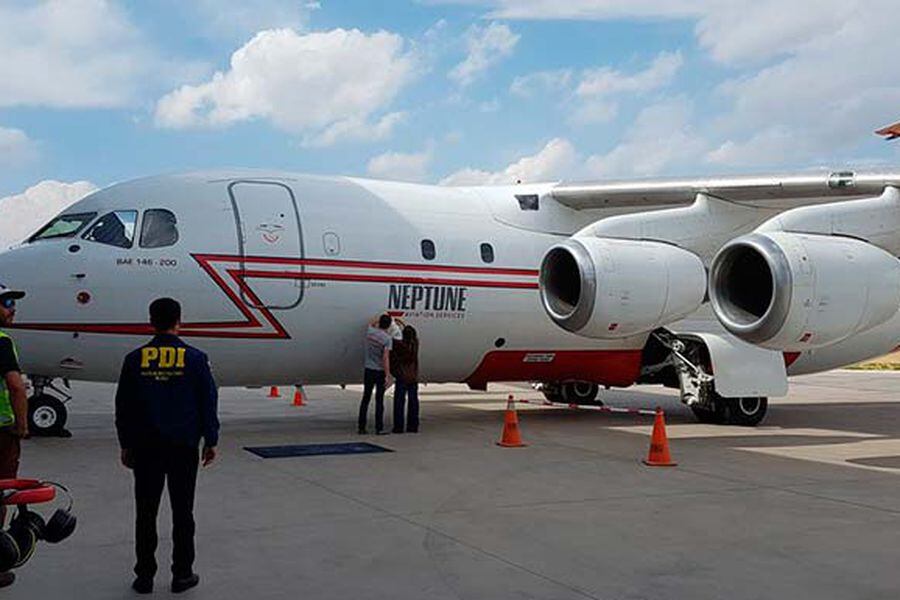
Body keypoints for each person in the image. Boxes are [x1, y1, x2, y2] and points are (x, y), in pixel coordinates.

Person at [115, 298, 219, 595]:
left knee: (146, 513)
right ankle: (182, 574)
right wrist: (210, 440)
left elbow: (123, 406)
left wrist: (126, 444)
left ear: (151, 320)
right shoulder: (196, 359)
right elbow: (208, 402)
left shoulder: (134, 360)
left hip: (145, 448)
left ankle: (144, 576)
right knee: (183, 513)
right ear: (179, 321)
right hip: (182, 448)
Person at [0, 284, 28, 589]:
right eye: (6, 302)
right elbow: (16, 387)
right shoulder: (2, 342)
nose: (12, 308)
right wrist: (22, 426)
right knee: (2, 492)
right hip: (1, 433)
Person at [358, 313, 393, 435]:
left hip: (369, 369)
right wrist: (388, 374)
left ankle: (361, 427)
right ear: (389, 326)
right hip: (379, 371)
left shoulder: (370, 332)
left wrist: (379, 317)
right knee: (379, 400)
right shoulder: (387, 339)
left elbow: (371, 323)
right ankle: (379, 427)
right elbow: (385, 358)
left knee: (365, 398)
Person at [390, 325, 420, 434]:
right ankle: (413, 426)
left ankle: (398, 427)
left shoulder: (401, 346)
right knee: (413, 402)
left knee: (399, 403)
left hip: (402, 377)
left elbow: (394, 342)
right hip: (413, 377)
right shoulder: (415, 344)